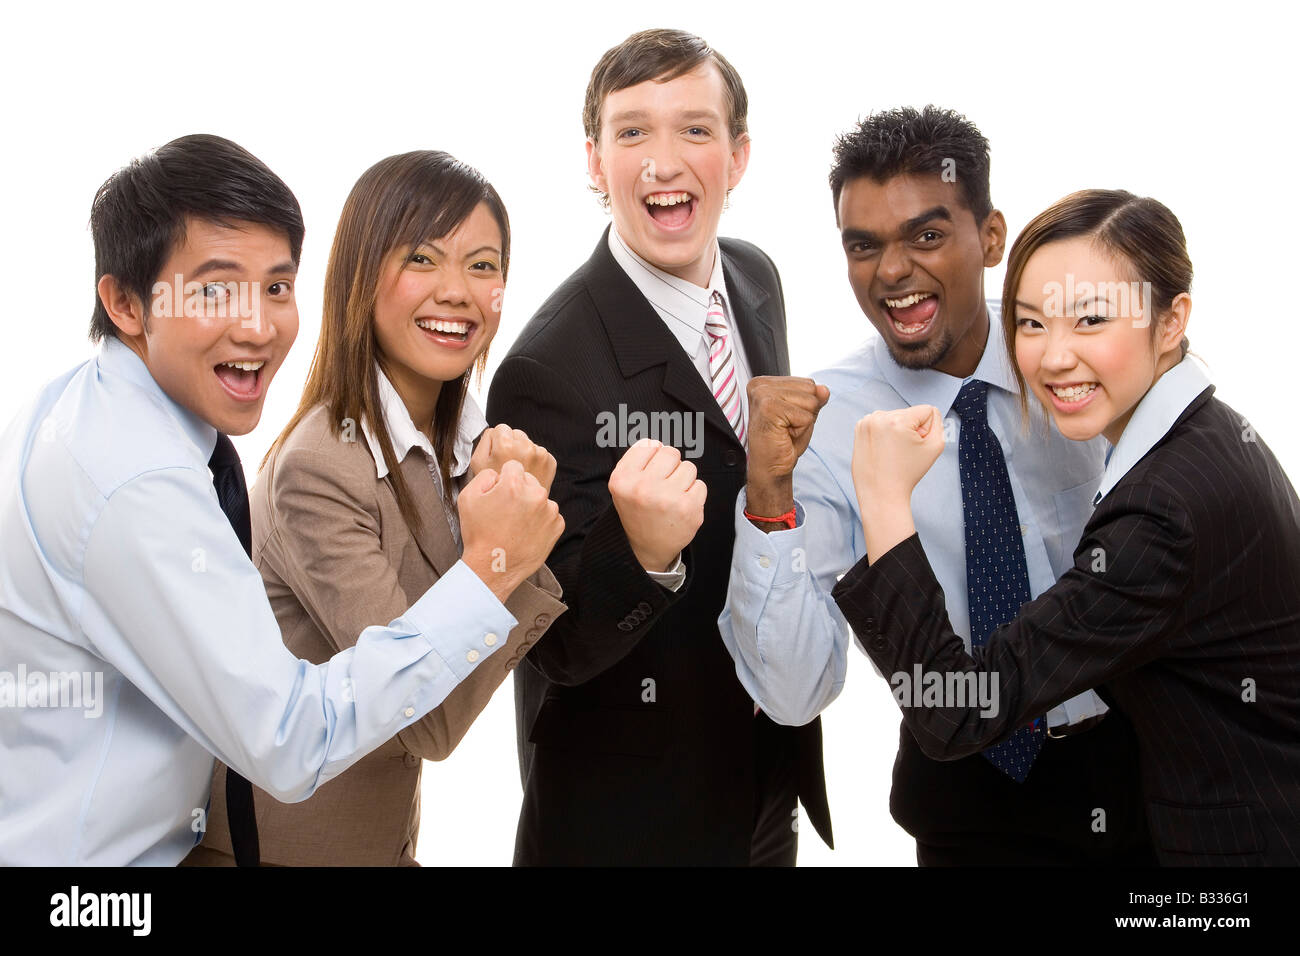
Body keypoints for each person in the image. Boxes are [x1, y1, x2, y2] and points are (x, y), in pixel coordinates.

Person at [0, 135, 563, 866]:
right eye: (214, 289)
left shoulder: (96, 409)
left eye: (276, 286)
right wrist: (493, 569)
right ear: (125, 303)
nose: (259, 327)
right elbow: (292, 739)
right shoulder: (140, 484)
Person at [720, 107, 1153, 865]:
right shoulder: (820, 422)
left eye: (926, 235)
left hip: (1139, 764)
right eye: (865, 245)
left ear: (990, 238)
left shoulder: (1075, 354)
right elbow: (791, 694)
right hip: (964, 799)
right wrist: (766, 497)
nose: (891, 270)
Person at [836, 188, 1300, 866]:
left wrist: (882, 502)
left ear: (1170, 322)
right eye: (1030, 324)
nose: (1053, 359)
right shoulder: (1209, 433)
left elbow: (957, 710)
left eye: (1089, 321)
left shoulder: (1162, 513)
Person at [487, 28, 832, 865]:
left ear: (739, 156)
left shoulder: (755, 279)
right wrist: (639, 553)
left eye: (695, 129)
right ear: (595, 162)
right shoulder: (545, 369)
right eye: (632, 131)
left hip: (766, 779)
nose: (662, 161)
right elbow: (548, 641)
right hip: (632, 820)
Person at [182, 151, 566, 866]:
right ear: (361, 276)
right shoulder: (320, 466)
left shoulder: (460, 451)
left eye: (483, 266)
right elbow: (423, 719)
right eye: (424, 258)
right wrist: (504, 556)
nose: (458, 291)